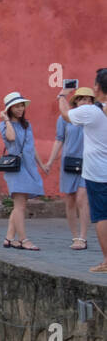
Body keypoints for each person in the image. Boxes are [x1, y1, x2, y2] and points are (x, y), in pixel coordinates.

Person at [58, 68, 107, 272]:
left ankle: (106, 261)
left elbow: (66, 115)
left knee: (102, 216)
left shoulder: (91, 111)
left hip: (98, 172)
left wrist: (62, 95)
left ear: (96, 87)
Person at [45, 86, 95, 249]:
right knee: (70, 200)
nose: (85, 102)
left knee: (82, 198)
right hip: (69, 162)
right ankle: (74, 237)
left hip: (88, 162)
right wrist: (50, 162)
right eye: (82, 99)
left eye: (88, 99)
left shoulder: (94, 117)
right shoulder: (65, 118)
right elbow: (59, 140)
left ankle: (83, 237)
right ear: (76, 101)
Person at [0, 91, 49, 250]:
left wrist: (42, 165)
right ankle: (23, 240)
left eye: (21, 105)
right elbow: (11, 138)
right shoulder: (3, 125)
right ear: (9, 108)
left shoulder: (27, 125)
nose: (20, 109)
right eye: (16, 106)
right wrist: (7, 120)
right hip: (16, 168)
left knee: (20, 205)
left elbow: (31, 147)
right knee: (19, 206)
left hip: (29, 167)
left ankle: (9, 237)